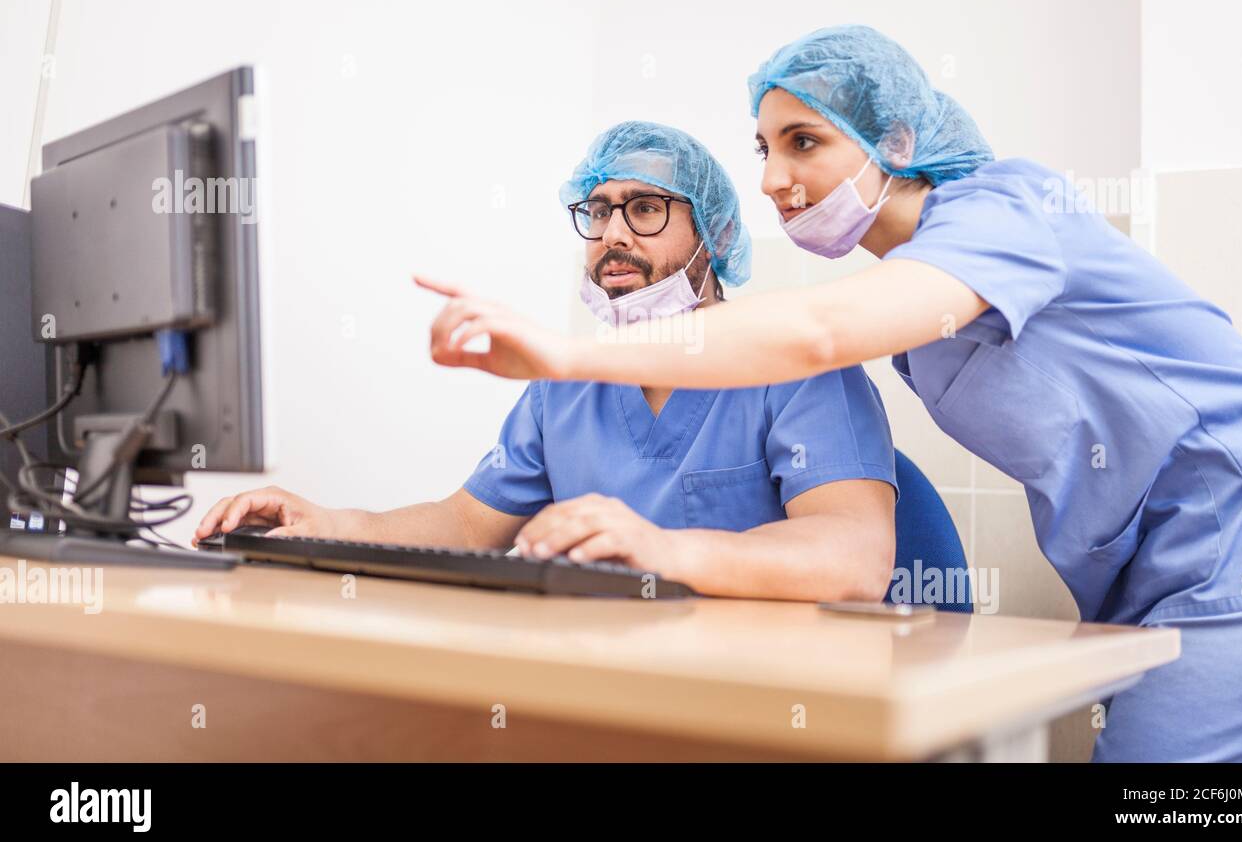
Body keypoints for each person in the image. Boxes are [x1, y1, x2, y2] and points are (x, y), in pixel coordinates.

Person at [420, 27, 1242, 762]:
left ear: (900, 143)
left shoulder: (1010, 207)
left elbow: (817, 334)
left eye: (804, 142)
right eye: (764, 149)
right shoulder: (918, 316)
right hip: (1145, 582)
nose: (771, 179)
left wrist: (562, 355)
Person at [197, 120, 899, 602]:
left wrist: (661, 549)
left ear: (711, 235)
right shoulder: (566, 387)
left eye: (645, 209)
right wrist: (328, 523)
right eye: (597, 212)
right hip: (605, 681)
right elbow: (469, 526)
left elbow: (855, 559)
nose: (613, 234)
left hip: (764, 699)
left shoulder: (796, 362)